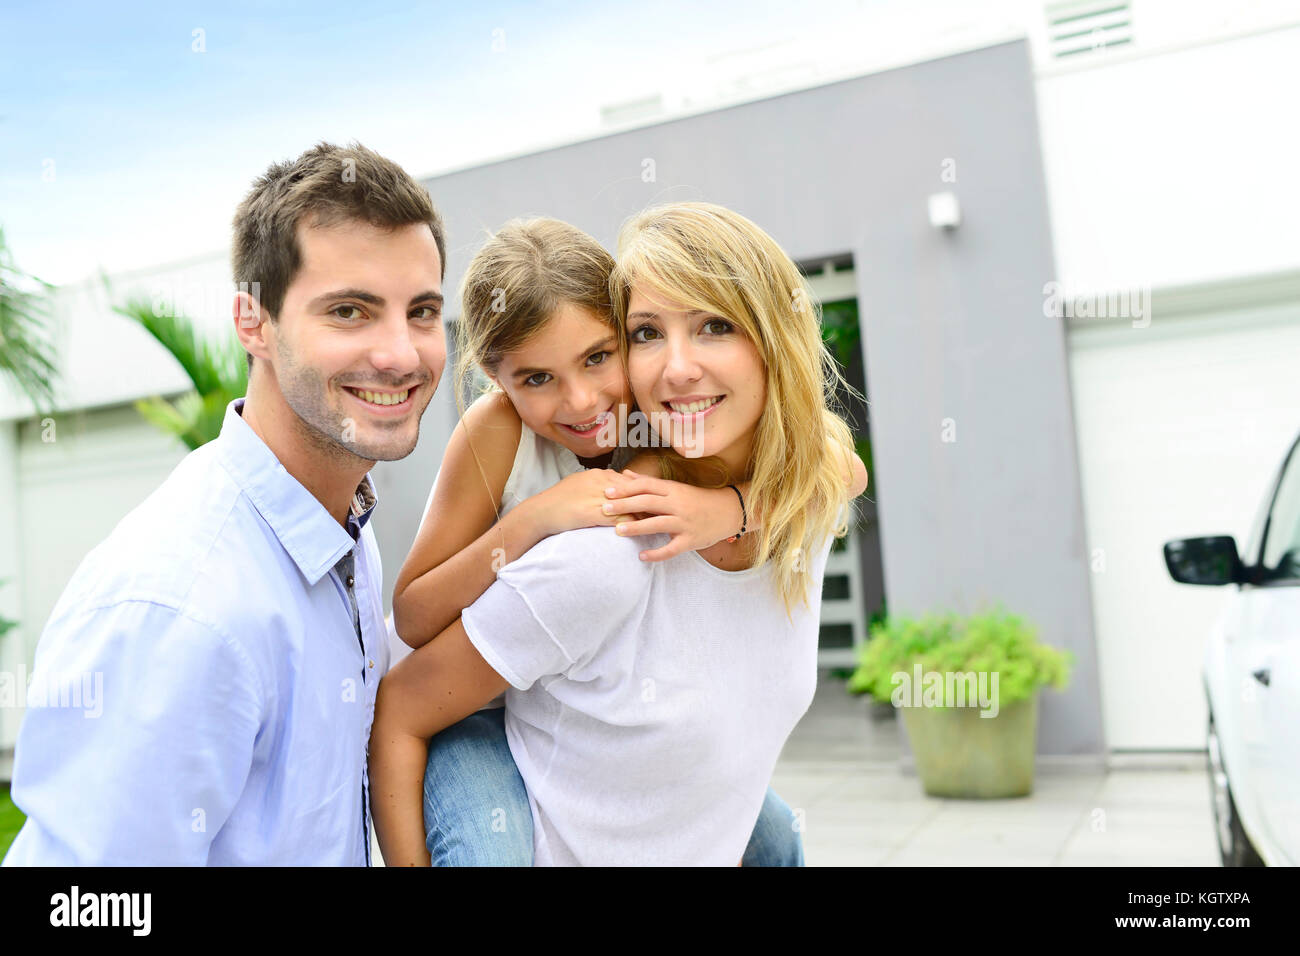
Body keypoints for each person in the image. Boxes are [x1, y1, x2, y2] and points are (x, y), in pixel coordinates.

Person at [371, 201, 864, 865]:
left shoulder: (666, 421)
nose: (580, 401)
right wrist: (532, 521)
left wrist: (729, 509)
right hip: (473, 708)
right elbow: (411, 615)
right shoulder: (498, 434)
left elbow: (835, 464)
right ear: (497, 378)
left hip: (539, 673)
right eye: (538, 378)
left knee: (773, 834)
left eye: (599, 357)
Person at [2, 141, 446, 865]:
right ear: (253, 323)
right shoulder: (181, 605)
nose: (401, 353)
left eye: (421, 311)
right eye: (350, 311)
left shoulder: (343, 531)